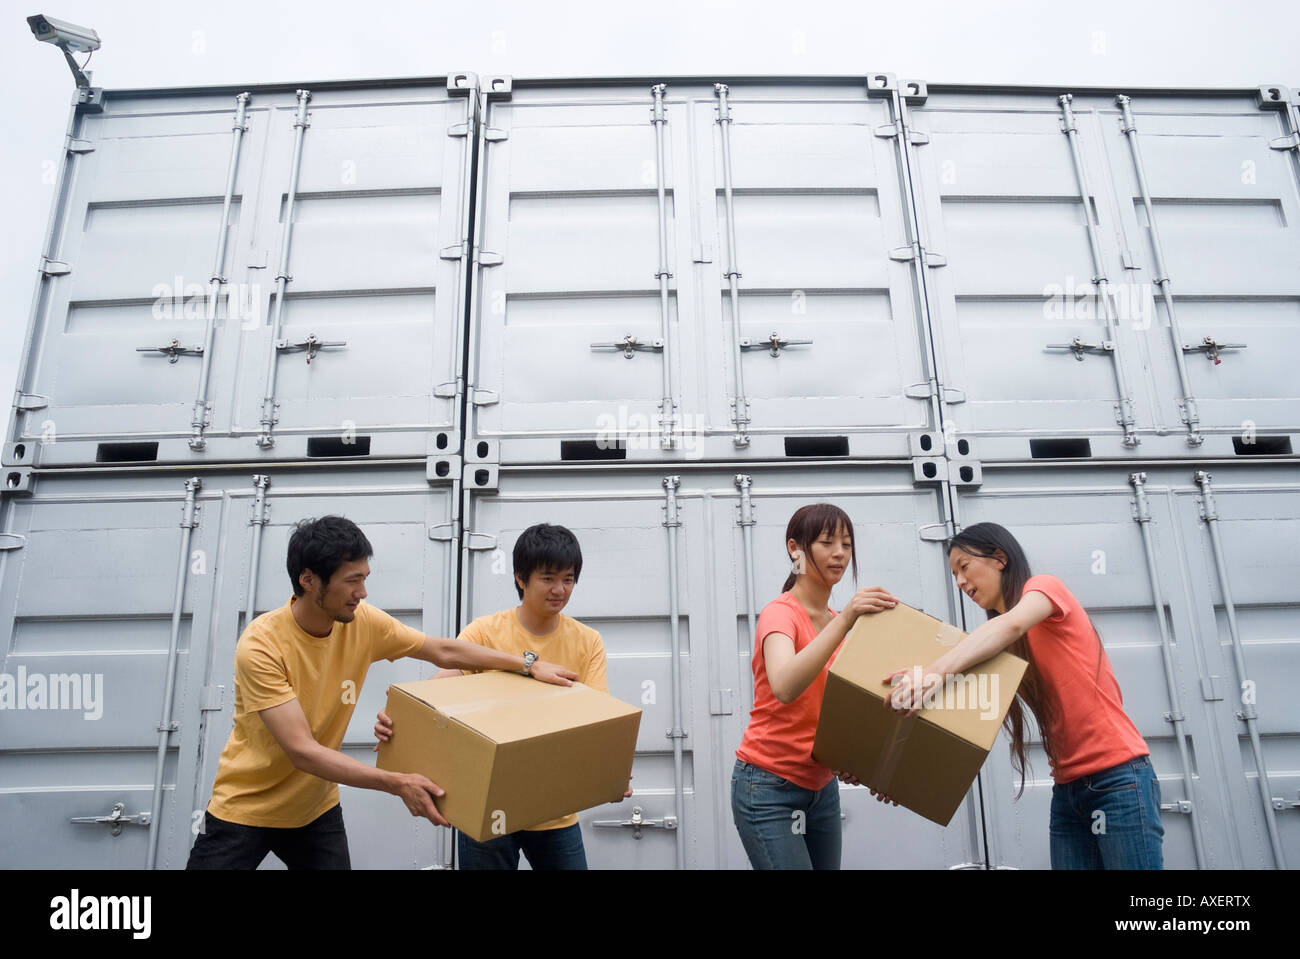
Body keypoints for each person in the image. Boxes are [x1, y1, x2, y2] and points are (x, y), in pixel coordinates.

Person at [186, 515, 575, 870]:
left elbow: (442, 649)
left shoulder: (362, 623)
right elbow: (302, 751)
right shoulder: (261, 645)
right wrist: (396, 781)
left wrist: (528, 664)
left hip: (313, 810)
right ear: (309, 580)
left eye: (364, 578)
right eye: (352, 580)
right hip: (245, 808)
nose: (363, 592)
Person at [884, 521, 1163, 870]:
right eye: (954, 575)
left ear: (999, 558)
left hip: (1118, 779)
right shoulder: (1002, 648)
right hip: (1067, 791)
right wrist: (894, 777)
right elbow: (958, 723)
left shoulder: (1043, 590)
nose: (959, 582)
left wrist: (931, 674)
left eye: (964, 567)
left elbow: (1010, 624)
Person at [374, 523, 630, 870]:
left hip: (555, 812)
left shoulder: (587, 641)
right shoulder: (484, 631)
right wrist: (397, 726)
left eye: (568, 579)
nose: (560, 589)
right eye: (548, 578)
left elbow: (600, 719)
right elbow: (431, 700)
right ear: (521, 578)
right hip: (485, 804)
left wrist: (610, 771)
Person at [731, 503, 898, 870]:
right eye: (827, 542)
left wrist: (861, 765)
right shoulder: (781, 613)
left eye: (847, 544)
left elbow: (845, 710)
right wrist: (849, 619)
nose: (840, 553)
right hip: (768, 788)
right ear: (795, 548)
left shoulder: (838, 621)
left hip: (822, 789)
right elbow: (786, 685)